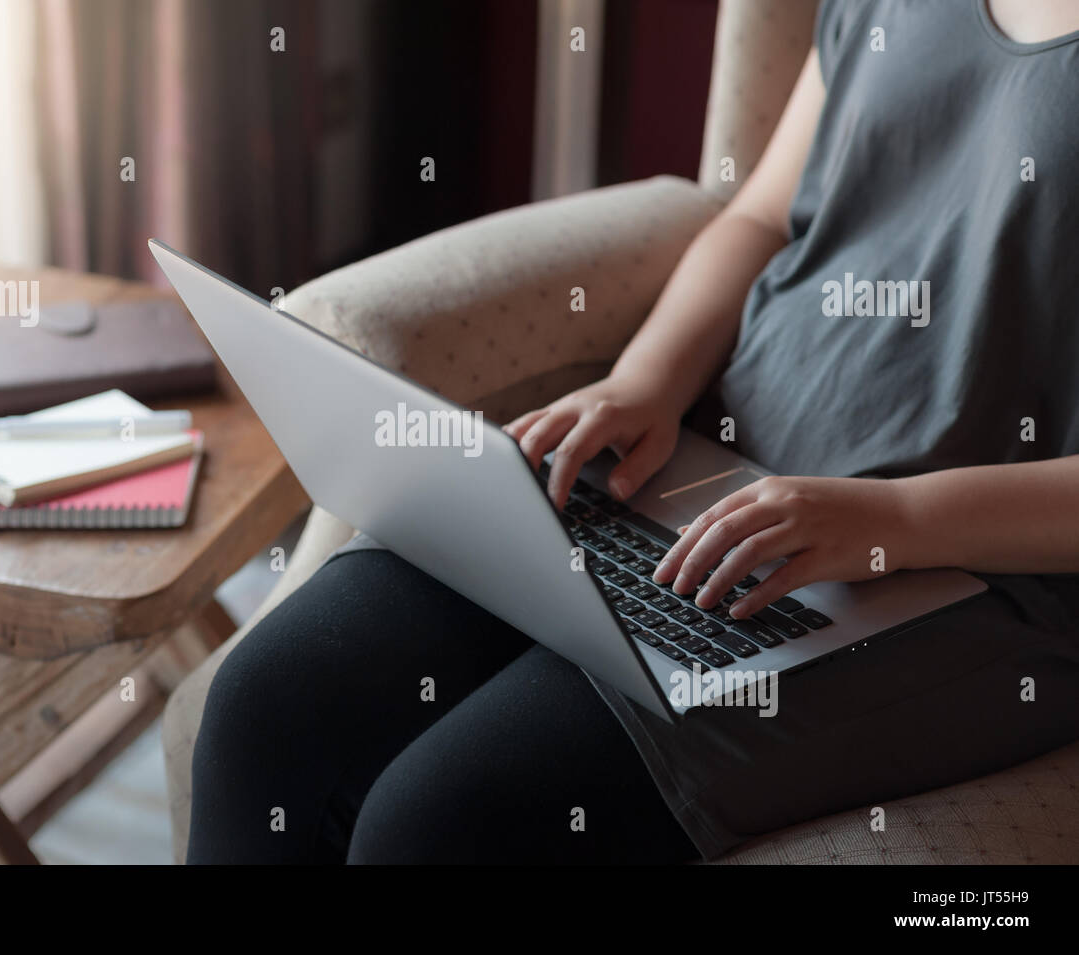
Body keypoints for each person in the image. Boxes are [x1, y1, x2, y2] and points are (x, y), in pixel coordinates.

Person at [186, 0, 1079, 864]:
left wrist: (895, 522)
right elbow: (764, 218)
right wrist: (645, 380)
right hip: (708, 465)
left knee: (436, 823)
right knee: (266, 706)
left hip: (970, 569)